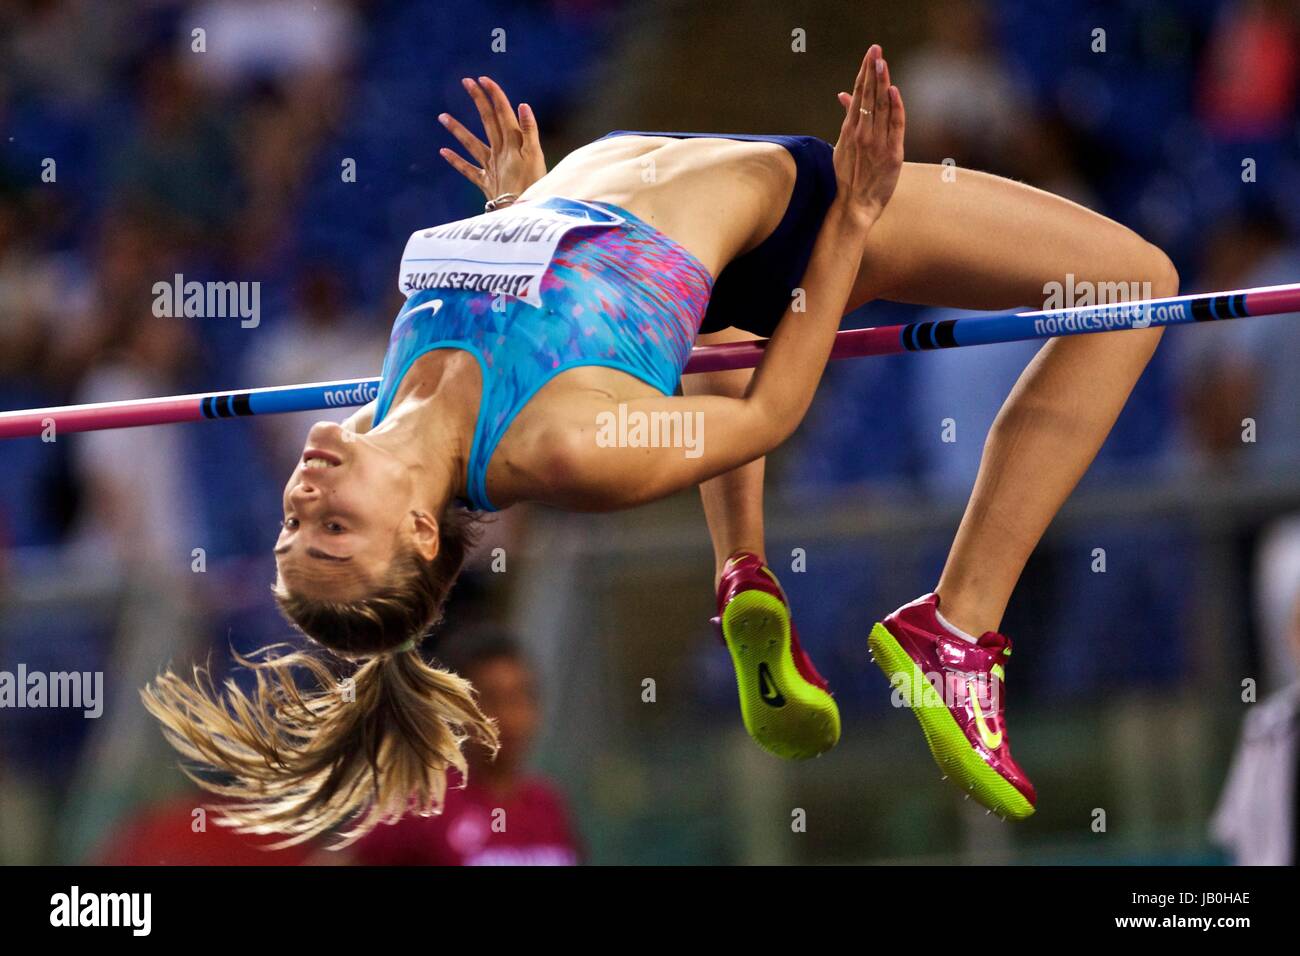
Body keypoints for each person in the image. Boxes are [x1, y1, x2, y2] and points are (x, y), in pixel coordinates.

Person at [144, 43, 1178, 844]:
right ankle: (958, 624)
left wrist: (519, 204)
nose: (305, 490)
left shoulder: (393, 399)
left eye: (294, 523)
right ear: (420, 530)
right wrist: (854, 222)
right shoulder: (554, 448)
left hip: (663, 239)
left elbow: (561, 303)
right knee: (1134, 285)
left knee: (703, 337)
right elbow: (764, 416)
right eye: (333, 526)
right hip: (790, 229)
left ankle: (742, 572)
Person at [351, 628, 581, 865]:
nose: (511, 717)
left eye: (520, 697)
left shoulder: (548, 805)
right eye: (491, 699)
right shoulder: (419, 805)